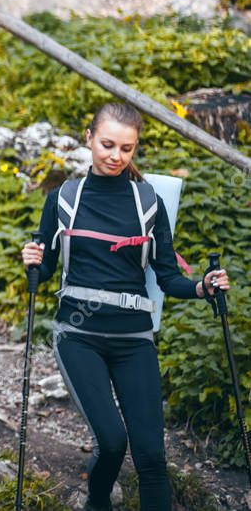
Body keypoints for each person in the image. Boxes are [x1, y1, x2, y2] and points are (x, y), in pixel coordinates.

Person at [21, 102, 229, 511]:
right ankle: (98, 501)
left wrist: (203, 288)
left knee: (151, 456)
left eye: (127, 148)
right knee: (113, 441)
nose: (116, 156)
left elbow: (168, 278)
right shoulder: (64, 198)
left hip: (134, 339)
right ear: (89, 138)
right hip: (78, 336)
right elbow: (43, 272)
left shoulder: (148, 202)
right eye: (108, 145)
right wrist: (33, 260)